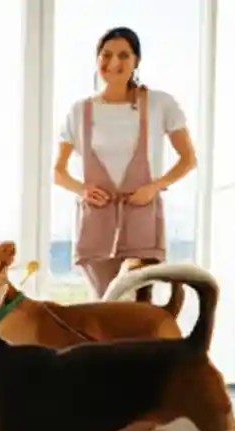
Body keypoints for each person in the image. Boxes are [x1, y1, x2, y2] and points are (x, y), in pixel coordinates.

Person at [53, 26, 198, 299]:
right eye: (106, 55)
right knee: (105, 307)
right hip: (96, 224)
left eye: (123, 55)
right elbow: (58, 172)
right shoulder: (79, 111)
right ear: (97, 59)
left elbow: (188, 159)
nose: (114, 63)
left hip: (142, 221)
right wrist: (82, 189)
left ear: (136, 61)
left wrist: (155, 187)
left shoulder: (160, 104)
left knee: (139, 309)